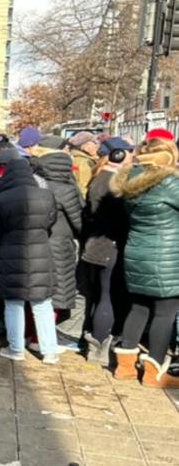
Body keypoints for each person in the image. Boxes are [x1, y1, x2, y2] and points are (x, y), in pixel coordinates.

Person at [110, 137, 179, 386]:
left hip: (136, 251)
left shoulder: (130, 180)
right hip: (167, 256)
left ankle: (125, 367)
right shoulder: (169, 183)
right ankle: (154, 373)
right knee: (165, 313)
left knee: (139, 308)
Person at [0, 158, 60, 363]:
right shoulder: (47, 196)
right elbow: (51, 223)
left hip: (8, 256)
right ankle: (50, 351)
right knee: (43, 304)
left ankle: (16, 349)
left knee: (13, 304)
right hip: (41, 254)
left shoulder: (0, 199)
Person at [80, 138, 130, 365]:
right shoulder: (113, 183)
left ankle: (92, 339)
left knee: (99, 293)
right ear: (119, 155)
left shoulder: (97, 178)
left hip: (95, 245)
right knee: (106, 295)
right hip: (109, 245)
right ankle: (99, 345)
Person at [32, 151, 84, 330]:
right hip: (60, 244)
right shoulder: (67, 189)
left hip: (36, 243)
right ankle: (45, 334)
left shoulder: (35, 184)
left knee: (37, 290)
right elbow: (79, 221)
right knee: (57, 290)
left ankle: (32, 333)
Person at [68, 131, 100, 195]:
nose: (97, 146)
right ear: (86, 146)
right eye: (94, 142)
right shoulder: (83, 162)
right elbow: (84, 187)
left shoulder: (77, 159)